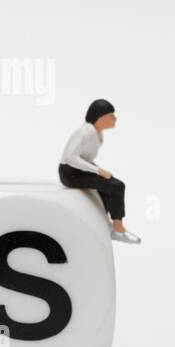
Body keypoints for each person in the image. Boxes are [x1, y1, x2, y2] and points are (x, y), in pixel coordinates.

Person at [59, 99, 140, 244]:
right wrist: (97, 170)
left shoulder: (97, 132)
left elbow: (84, 156)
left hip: (79, 169)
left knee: (109, 186)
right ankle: (118, 229)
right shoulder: (84, 133)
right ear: (100, 118)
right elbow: (69, 157)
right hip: (70, 173)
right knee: (117, 186)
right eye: (111, 116)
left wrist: (96, 170)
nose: (115, 119)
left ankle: (104, 223)